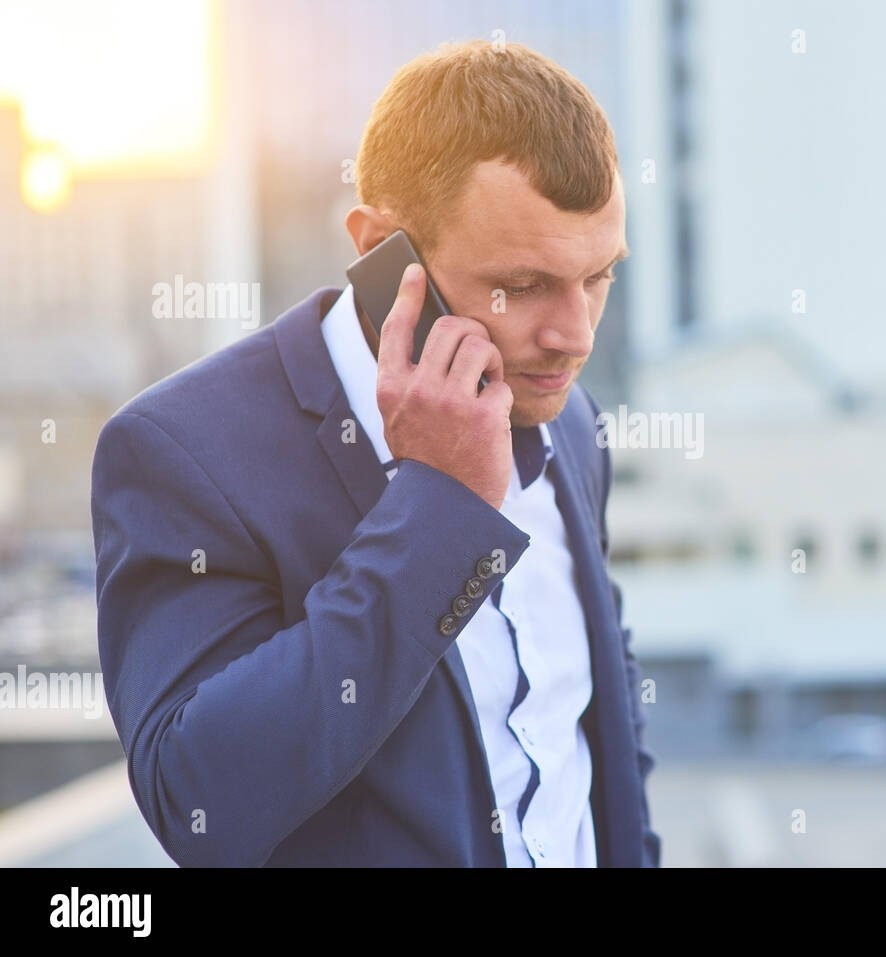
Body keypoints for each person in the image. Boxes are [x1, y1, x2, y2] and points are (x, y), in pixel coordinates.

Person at [90, 39, 659, 867]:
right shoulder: (182, 452)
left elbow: (600, 735)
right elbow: (199, 802)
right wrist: (439, 506)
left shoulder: (569, 426)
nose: (573, 336)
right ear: (383, 254)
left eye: (599, 276)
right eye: (523, 286)